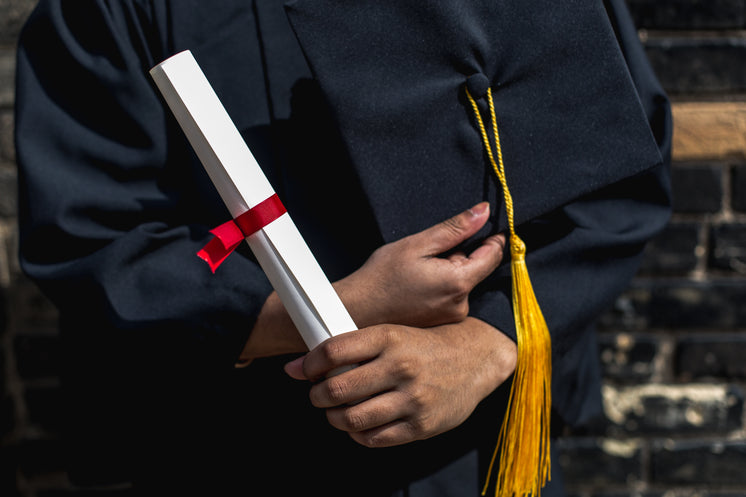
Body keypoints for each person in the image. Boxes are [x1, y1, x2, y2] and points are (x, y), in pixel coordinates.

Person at [15, 0, 671, 495]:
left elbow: (615, 170)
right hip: (234, 447)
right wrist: (333, 307)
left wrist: (493, 338)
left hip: (477, 436)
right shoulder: (117, 9)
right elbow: (96, 237)